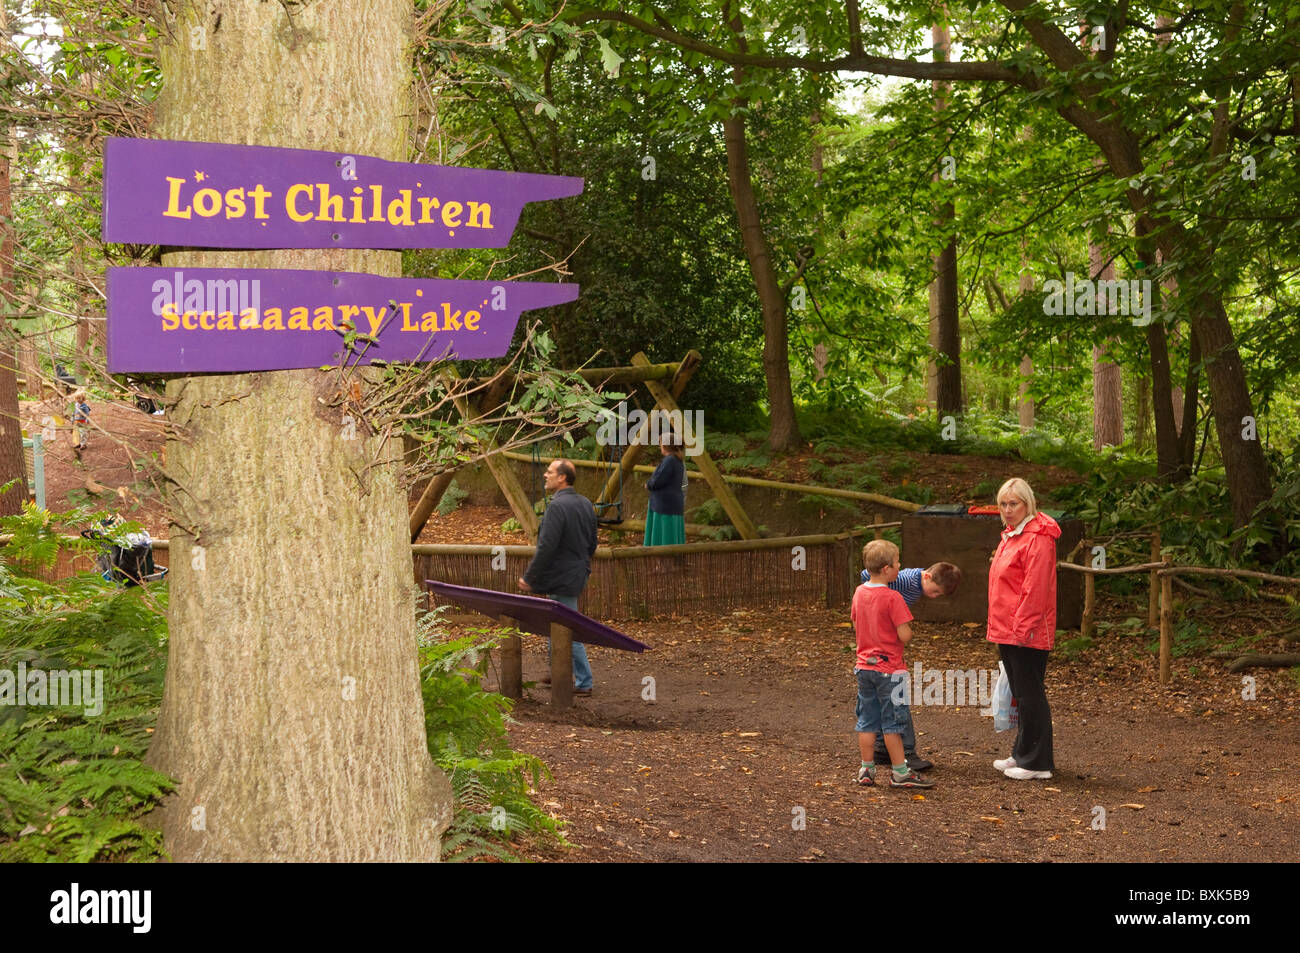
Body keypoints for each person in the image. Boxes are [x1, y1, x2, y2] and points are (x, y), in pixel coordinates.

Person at [858, 560, 963, 771]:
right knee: (897, 702)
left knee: (882, 702)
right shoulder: (905, 580)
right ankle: (905, 753)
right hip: (886, 655)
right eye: (935, 591)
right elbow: (866, 574)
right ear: (927, 576)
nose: (934, 596)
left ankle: (882, 749)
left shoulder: (913, 584)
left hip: (881, 651)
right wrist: (882, 594)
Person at [987, 477, 1060, 781]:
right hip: (1008, 627)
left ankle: (1037, 762)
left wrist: (1023, 627)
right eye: (1003, 504)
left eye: (1013, 503)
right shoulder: (1013, 535)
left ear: (1027, 504)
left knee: (1030, 694)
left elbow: (1035, 588)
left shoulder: (1038, 538)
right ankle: (1022, 753)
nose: (1007, 509)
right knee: (1020, 693)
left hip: (1026, 631)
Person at [851, 538, 934, 789]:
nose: (900, 566)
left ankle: (866, 769)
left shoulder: (859, 592)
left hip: (864, 667)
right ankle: (900, 772)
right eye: (898, 563)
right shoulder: (893, 597)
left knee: (867, 721)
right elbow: (904, 635)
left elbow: (856, 623)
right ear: (887, 569)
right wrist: (908, 631)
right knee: (892, 724)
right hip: (890, 670)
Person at [518, 459, 599, 696]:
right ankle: (558, 671)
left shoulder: (557, 506)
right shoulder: (585, 503)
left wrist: (530, 577)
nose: (545, 475)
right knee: (556, 622)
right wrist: (582, 565)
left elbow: (547, 546)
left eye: (550, 472)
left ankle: (584, 682)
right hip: (577, 572)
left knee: (566, 626)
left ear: (562, 477)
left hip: (564, 577)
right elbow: (593, 543)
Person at [643, 430, 686, 546]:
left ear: (666, 445)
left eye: (661, 443)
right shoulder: (678, 460)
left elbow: (659, 480)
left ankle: (662, 556)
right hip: (672, 503)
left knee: (665, 537)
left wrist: (648, 484)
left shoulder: (669, 460)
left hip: (665, 506)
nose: (659, 446)